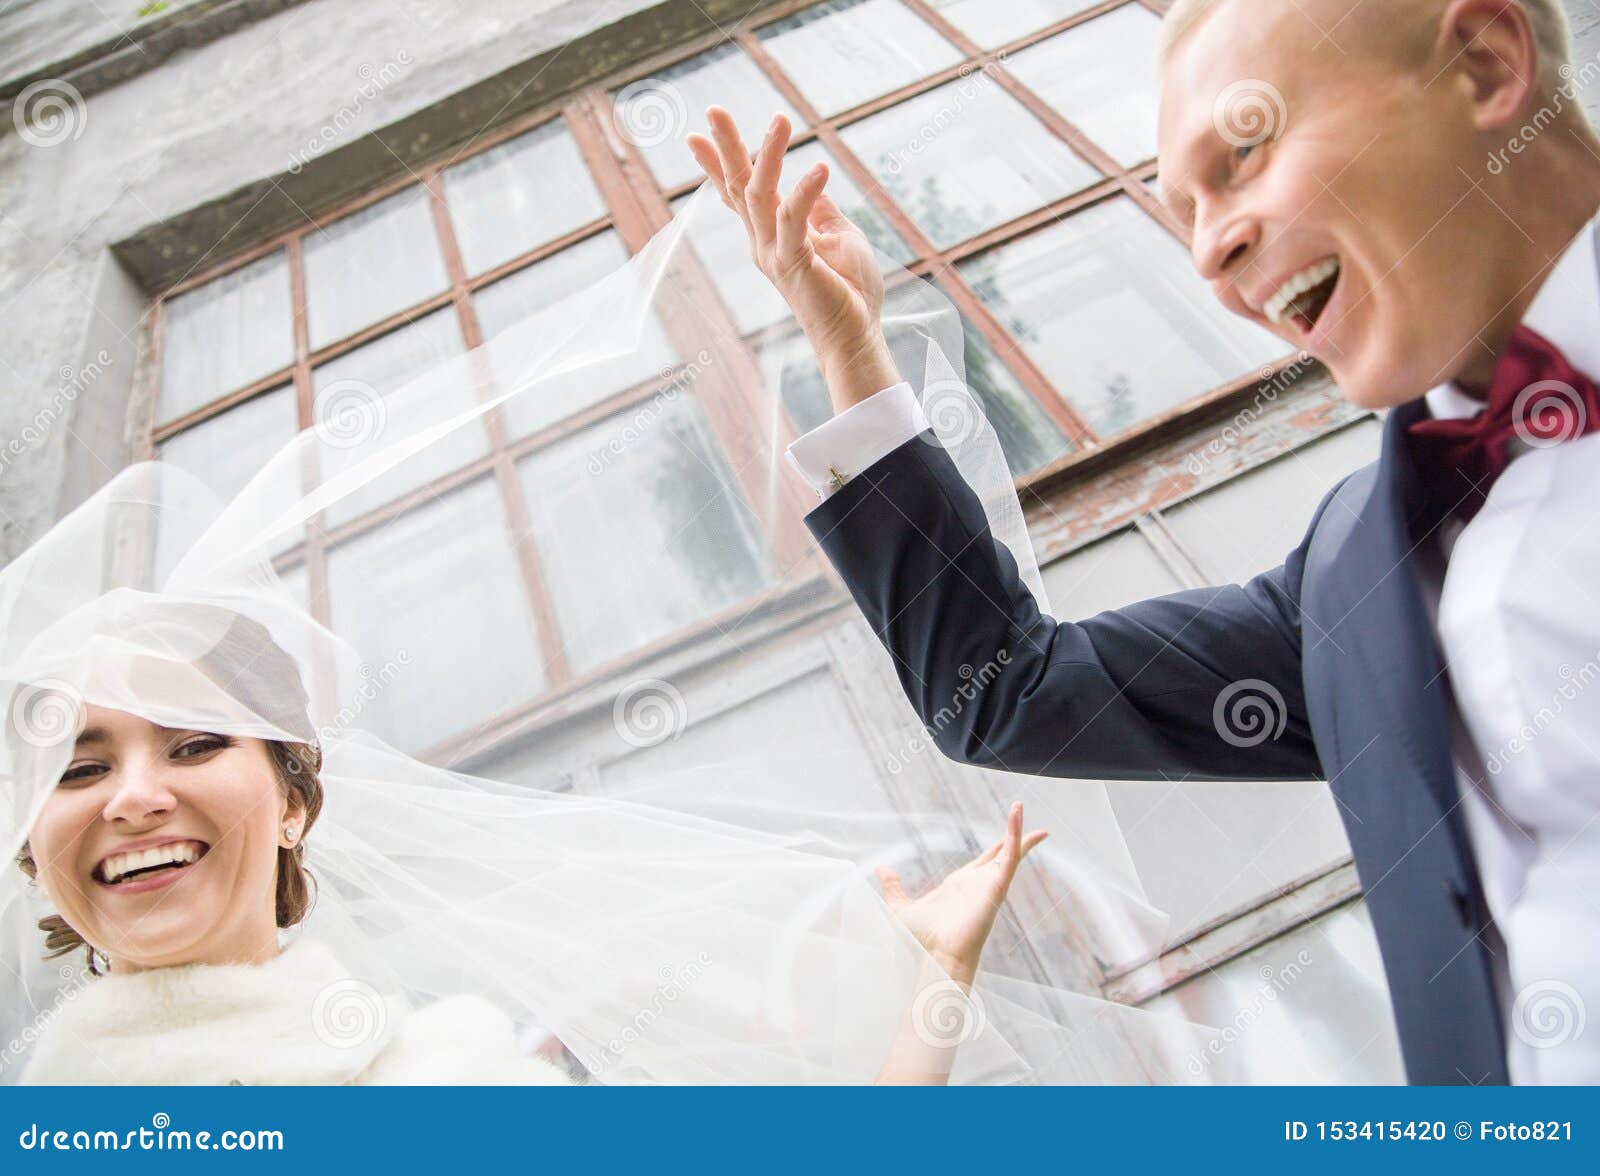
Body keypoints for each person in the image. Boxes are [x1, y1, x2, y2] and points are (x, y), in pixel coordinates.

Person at [687, 0, 1600, 1085]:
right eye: (1183, 210)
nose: (1212, 251)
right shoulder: (1356, 581)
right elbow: (1001, 689)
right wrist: (849, 351)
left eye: (1245, 150)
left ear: (1490, 63)